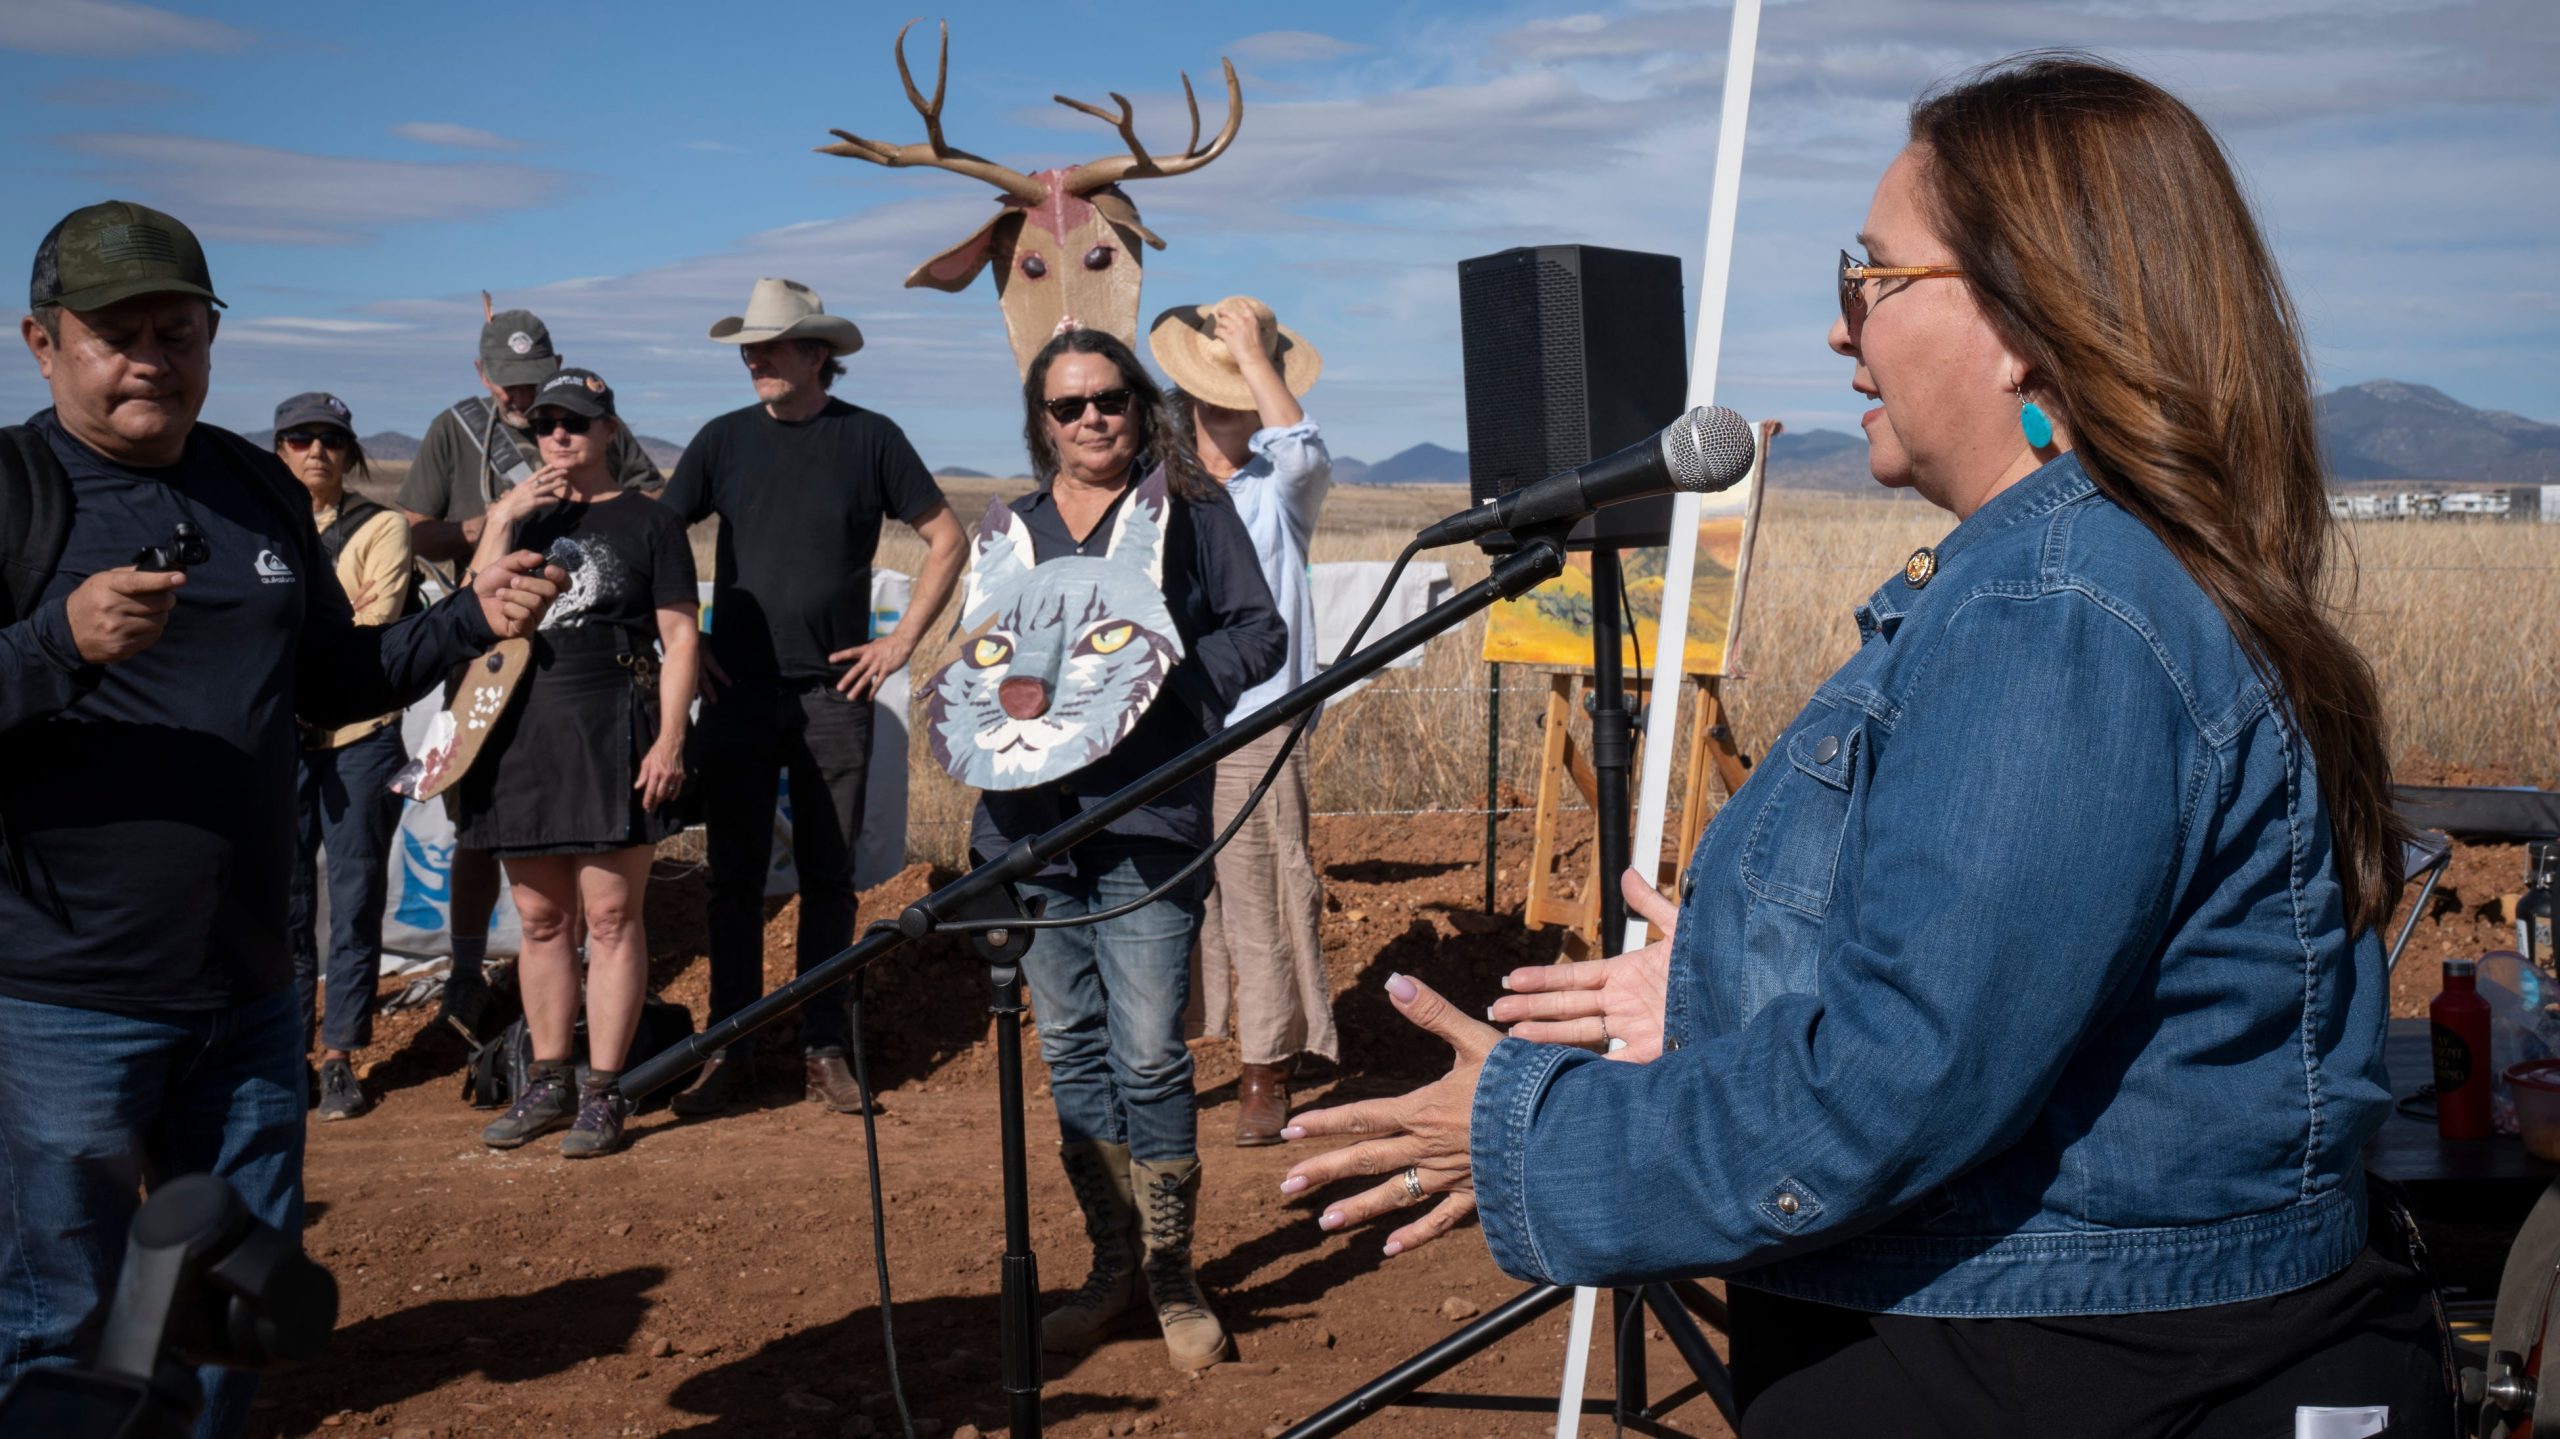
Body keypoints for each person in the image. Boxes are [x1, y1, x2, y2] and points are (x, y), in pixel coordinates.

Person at [1280, 56, 2450, 1437]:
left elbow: (1905, 1076)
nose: (1844, 333)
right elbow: (2020, 975)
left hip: (2064, 1371)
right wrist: (1720, 992)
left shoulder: (2057, 609)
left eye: (1872, 279)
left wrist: (1536, 1131)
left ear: (2022, 320)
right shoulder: (2078, 580)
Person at [0, 200, 560, 1439]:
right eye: (116, 331)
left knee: (224, 1318)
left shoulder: (256, 486)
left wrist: (470, 617)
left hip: (250, 992)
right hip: (60, 1001)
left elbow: (329, 684)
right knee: (59, 1322)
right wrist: (53, 644)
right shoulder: (12, 490)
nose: (152, 353)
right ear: (42, 343)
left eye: (180, 326)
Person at [987, 329, 1285, 1372]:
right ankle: (1112, 1264)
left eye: (1109, 398)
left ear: (1138, 404)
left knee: (1151, 1046)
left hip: (1147, 814)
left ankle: (1171, 1271)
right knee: (1069, 1044)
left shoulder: (1188, 510)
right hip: (1029, 827)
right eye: (1067, 406)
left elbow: (1261, 630)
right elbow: (984, 664)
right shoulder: (1011, 527)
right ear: (1041, 420)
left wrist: (1167, 679)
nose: (1091, 420)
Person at [659, 277, 964, 1118]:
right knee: (733, 879)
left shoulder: (871, 439)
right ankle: (731, 1048)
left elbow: (947, 536)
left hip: (837, 692)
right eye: (747, 346)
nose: (753, 356)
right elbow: (658, 534)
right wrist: (687, 639)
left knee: (830, 879)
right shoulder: (721, 440)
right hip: (738, 692)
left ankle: (825, 1046)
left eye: (771, 343)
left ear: (818, 354)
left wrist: (902, 645)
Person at [396, 308, 661, 1037]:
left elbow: (649, 501)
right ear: (482, 376)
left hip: (586, 675)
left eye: (532, 382)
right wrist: (482, 528)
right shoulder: (456, 429)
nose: (522, 398)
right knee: (480, 828)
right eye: (509, 385)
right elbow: (411, 526)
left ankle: (590, 987)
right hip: (484, 658)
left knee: (594, 850)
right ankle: (466, 970)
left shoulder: (587, 413)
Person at [456, 368, 698, 1161]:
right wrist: (503, 517)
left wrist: (669, 739)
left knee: (610, 917)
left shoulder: (649, 522)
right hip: (520, 731)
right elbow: (470, 612)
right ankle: (548, 1079)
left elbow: (680, 637)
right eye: (549, 423)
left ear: (609, 432)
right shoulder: (521, 518)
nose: (561, 435)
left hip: (611, 728)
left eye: (579, 423)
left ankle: (605, 1090)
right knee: (540, 919)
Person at [1150, 296, 1335, 1146]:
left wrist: (1254, 355)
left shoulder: (1277, 491)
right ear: (1188, 402)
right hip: (1165, 720)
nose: (1231, 412)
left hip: (1259, 716)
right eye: (1213, 394)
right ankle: (1165, 1058)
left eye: (1243, 396)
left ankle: (1265, 1066)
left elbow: (1299, 446)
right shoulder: (1158, 496)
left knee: (1259, 889)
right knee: (1169, 895)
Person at [276, 391, 416, 1122]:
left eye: (331, 438)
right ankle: (288, 1053)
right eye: (301, 437)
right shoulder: (256, 526)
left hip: (361, 735)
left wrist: (289, 617)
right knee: (287, 903)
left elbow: (371, 626)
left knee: (356, 898)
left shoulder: (383, 526)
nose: (316, 451)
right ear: (280, 450)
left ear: (350, 451)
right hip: (279, 738)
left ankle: (340, 1056)